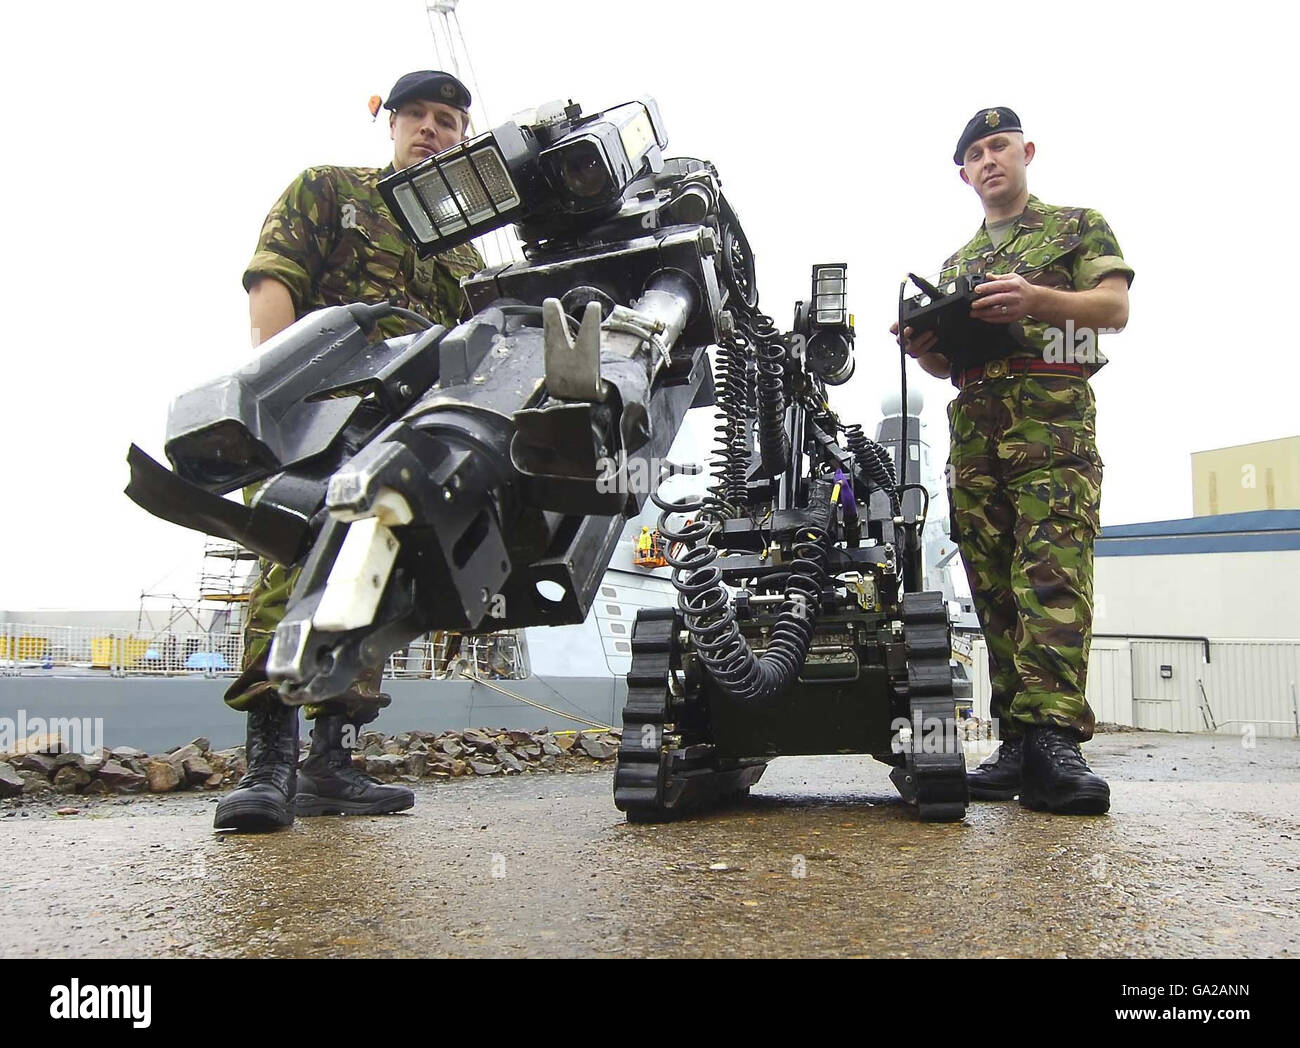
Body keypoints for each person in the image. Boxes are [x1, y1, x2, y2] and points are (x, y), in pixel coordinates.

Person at [215, 70, 485, 832]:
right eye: (418, 116)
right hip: (317, 415)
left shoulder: (463, 254)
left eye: (448, 121)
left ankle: (330, 763)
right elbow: (274, 281)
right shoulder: (331, 189)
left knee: (375, 583)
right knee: (293, 567)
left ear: (463, 138)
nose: (431, 129)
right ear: (392, 122)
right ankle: (268, 765)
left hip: (405, 437)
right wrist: (276, 394)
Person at [894, 107, 1133, 815]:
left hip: (1051, 426)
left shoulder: (1077, 226)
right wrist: (923, 345)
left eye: (1000, 145)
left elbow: (1113, 309)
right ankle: (1019, 746)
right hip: (976, 436)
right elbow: (944, 367)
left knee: (1051, 579)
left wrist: (1036, 299)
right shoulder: (957, 266)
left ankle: (1057, 741)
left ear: (1026, 151)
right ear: (963, 173)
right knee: (994, 588)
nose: (989, 159)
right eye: (975, 153)